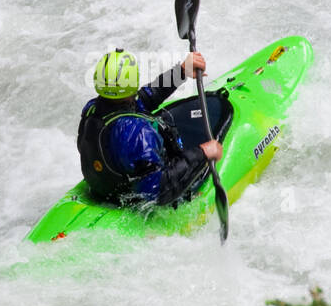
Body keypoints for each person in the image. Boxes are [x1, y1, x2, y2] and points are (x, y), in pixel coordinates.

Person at [78, 48, 223, 207]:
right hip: (138, 199)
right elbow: (158, 192)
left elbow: (145, 98)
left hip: (108, 187)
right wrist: (202, 153)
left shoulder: (93, 109)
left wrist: (181, 71)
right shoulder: (138, 133)